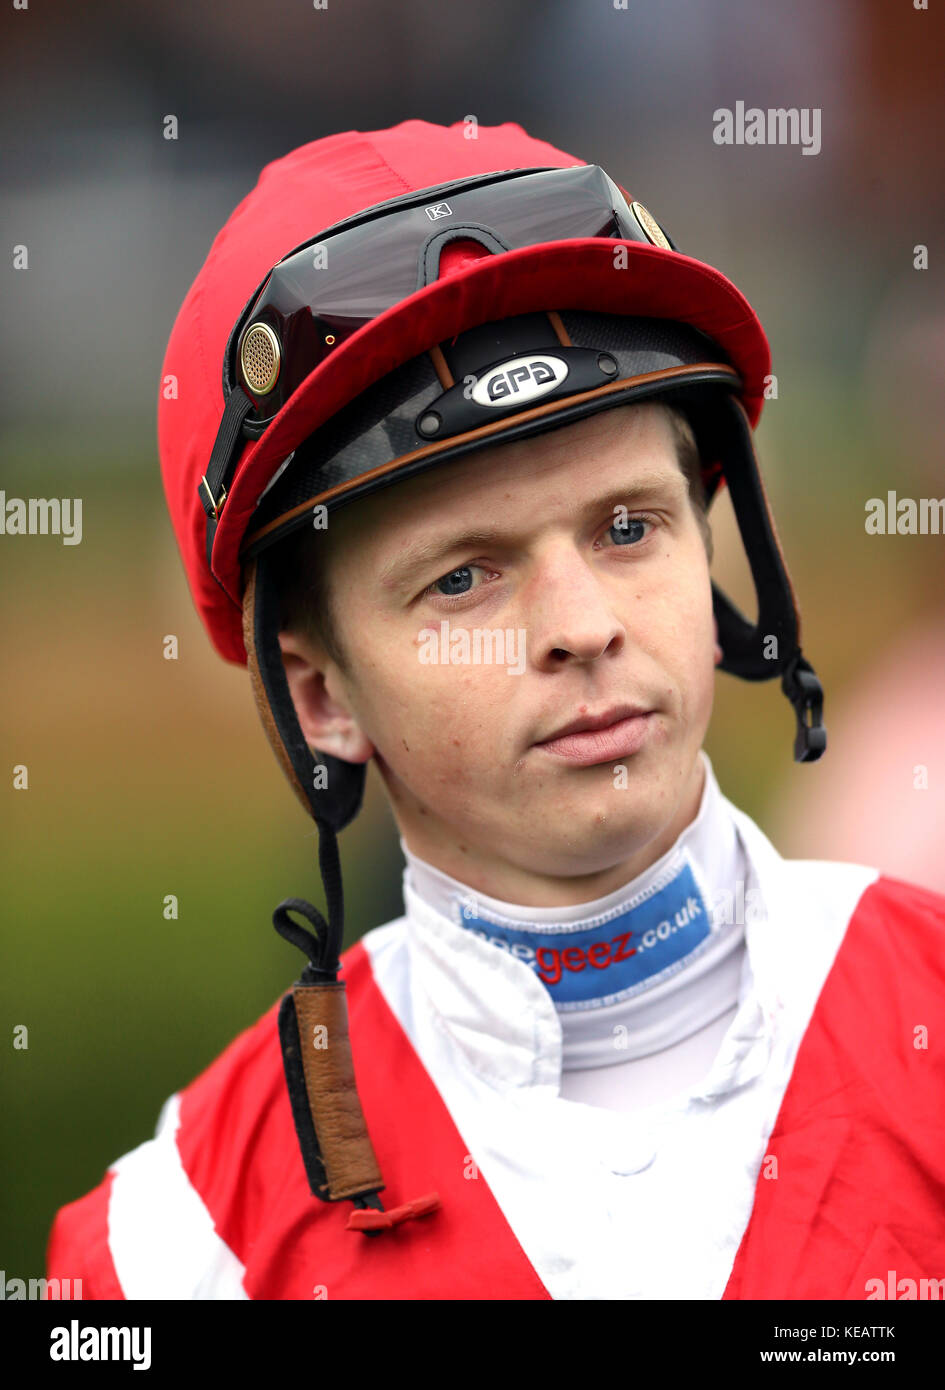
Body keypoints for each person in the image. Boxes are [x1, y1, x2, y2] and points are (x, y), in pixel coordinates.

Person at [46, 119, 945, 1301]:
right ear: (319, 696)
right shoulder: (170, 1249)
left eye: (627, 526)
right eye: (464, 576)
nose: (584, 624)